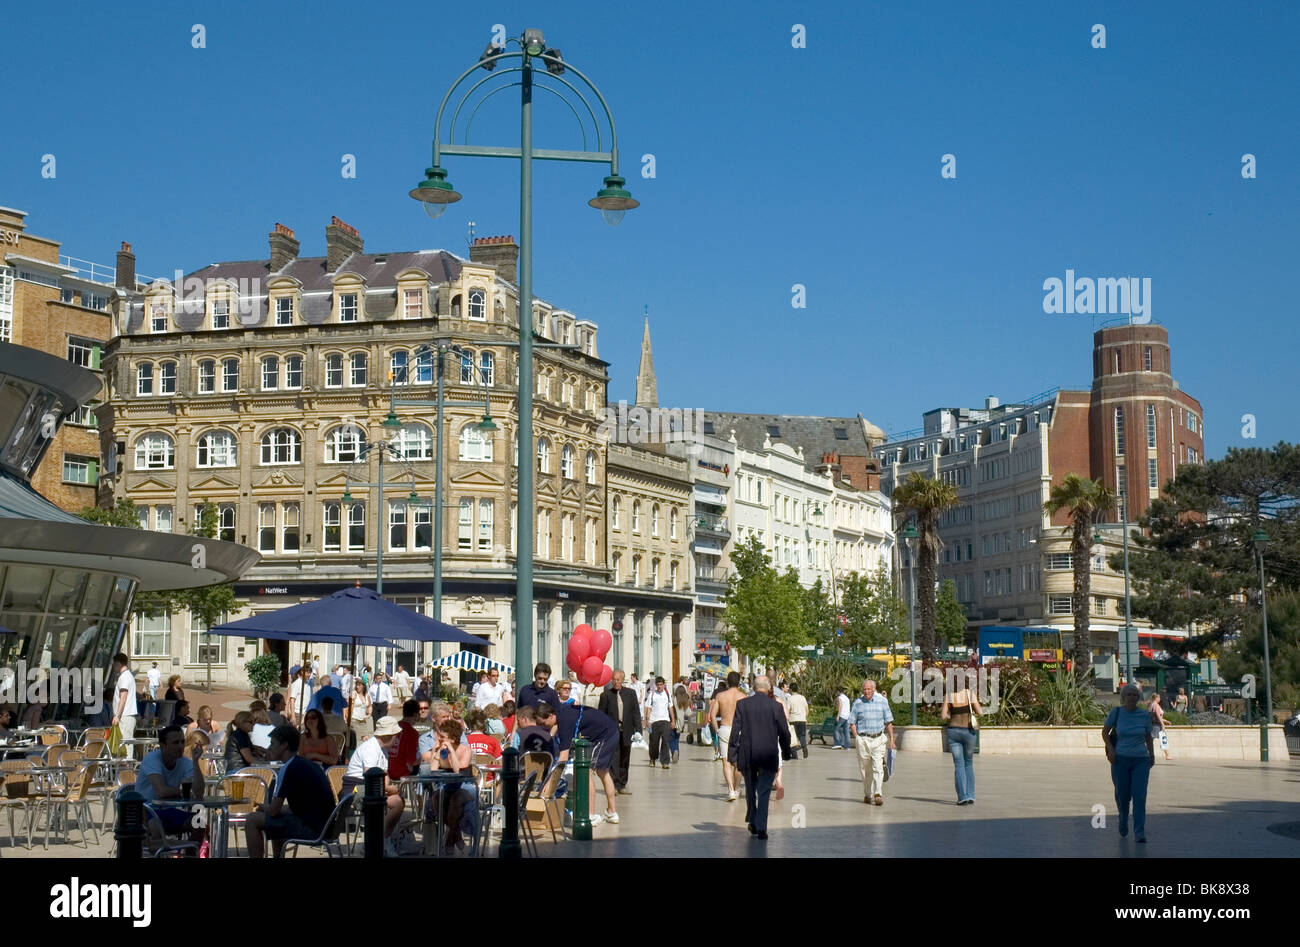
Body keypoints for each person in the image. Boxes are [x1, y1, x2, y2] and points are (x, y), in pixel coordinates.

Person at [246, 725, 338, 858]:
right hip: (327, 827)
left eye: (273, 744)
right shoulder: (309, 765)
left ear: (284, 746)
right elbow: (298, 807)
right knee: (277, 819)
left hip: (313, 830)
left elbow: (273, 811)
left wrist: (264, 808)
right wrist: (269, 809)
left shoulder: (288, 768)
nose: (269, 748)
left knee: (252, 820)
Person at [728, 676, 792, 841]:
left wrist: (732, 754)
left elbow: (735, 731)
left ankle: (753, 820)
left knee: (750, 789)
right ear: (769, 687)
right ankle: (761, 826)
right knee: (763, 791)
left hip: (748, 754)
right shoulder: (775, 706)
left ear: (754, 688)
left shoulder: (743, 705)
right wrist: (786, 751)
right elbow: (784, 732)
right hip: (769, 754)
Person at [342, 716, 406, 854]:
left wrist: (389, 789)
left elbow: (384, 777)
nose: (397, 739)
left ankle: (381, 840)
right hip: (355, 788)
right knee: (397, 802)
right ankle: (381, 840)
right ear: (388, 735)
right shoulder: (371, 748)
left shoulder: (383, 750)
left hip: (369, 787)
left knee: (397, 800)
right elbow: (371, 778)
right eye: (396, 736)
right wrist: (391, 789)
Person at [552, 701, 622, 824]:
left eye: (542, 722)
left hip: (604, 735)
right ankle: (612, 812)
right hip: (609, 731)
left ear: (550, 716)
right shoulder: (563, 712)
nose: (543, 725)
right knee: (603, 772)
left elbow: (563, 756)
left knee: (587, 771)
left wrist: (552, 780)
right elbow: (552, 728)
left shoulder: (564, 721)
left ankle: (590, 814)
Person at [1104, 683, 1156, 842]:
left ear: (1138, 697)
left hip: (1141, 760)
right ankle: (1123, 819)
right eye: (1129, 695)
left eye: (1135, 695)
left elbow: (1148, 736)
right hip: (1120, 760)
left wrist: (1151, 754)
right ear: (1123, 697)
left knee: (1140, 796)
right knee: (1123, 795)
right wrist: (1111, 750)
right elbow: (1105, 732)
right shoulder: (1117, 712)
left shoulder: (1143, 715)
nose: (1132, 697)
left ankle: (1139, 832)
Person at [137, 725, 205, 843]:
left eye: (182, 742)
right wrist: (181, 792)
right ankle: (160, 855)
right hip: (145, 812)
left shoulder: (184, 762)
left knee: (199, 823)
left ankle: (190, 854)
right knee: (155, 825)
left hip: (168, 811)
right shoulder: (152, 758)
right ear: (163, 745)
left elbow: (199, 792)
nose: (180, 746)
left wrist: (195, 762)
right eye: (175, 742)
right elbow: (162, 792)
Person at [427, 716, 477, 855]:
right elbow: (433, 769)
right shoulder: (439, 749)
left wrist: (451, 751)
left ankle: (449, 839)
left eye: (443, 737)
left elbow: (458, 770)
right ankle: (456, 834)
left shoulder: (465, 750)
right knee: (437, 798)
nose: (440, 739)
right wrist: (437, 751)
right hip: (447, 786)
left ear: (452, 738)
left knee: (456, 799)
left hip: (465, 786)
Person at [940, 668, 983, 805]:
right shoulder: (970, 694)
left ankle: (962, 797)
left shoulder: (949, 696)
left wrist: (951, 715)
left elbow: (943, 717)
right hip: (968, 732)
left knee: (958, 765)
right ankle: (971, 795)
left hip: (953, 732)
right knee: (968, 764)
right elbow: (980, 712)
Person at [850, 679, 896, 806]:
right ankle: (867, 794)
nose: (866, 692)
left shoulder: (882, 702)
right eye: (864, 689)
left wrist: (892, 739)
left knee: (878, 767)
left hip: (878, 739)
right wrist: (857, 737)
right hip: (863, 740)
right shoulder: (858, 703)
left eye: (869, 689)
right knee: (865, 769)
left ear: (874, 689)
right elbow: (852, 722)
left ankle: (878, 793)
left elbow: (888, 722)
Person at [597, 670, 642, 795]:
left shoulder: (630, 694)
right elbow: (601, 715)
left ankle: (622, 784)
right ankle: (614, 784)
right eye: (614, 679)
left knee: (625, 758)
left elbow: (636, 713)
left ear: (623, 680)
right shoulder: (606, 695)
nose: (616, 682)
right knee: (613, 758)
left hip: (627, 730)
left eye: (618, 679)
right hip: (612, 732)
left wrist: (638, 731)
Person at [710, 672, 745, 800]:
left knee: (726, 762)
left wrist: (717, 730)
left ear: (728, 682)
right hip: (739, 730)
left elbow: (712, 716)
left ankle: (730, 789)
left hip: (724, 729)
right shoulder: (743, 696)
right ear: (739, 681)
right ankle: (736, 788)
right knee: (739, 763)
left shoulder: (720, 696)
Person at [388, 699, 422, 781]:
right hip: (403, 775)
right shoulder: (412, 733)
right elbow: (413, 760)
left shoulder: (392, 727)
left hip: (388, 772)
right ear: (416, 714)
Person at [645, 676, 674, 769]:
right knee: (654, 742)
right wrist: (647, 720)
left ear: (664, 684)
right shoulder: (652, 694)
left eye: (661, 685)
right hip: (654, 721)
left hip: (665, 720)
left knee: (666, 741)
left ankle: (665, 762)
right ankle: (652, 758)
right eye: (658, 685)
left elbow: (670, 707)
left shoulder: (667, 694)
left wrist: (673, 720)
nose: (659, 686)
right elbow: (648, 707)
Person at [110, 653, 138, 743]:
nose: (113, 666)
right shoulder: (128, 676)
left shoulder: (124, 677)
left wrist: (117, 716)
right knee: (123, 746)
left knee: (125, 746)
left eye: (114, 663)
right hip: (126, 716)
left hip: (124, 716)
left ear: (119, 663)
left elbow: (123, 698)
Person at [787, 683, 810, 759]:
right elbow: (807, 710)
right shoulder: (802, 697)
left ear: (790, 689)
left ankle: (794, 755)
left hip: (793, 719)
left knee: (793, 738)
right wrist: (804, 717)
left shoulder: (790, 698)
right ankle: (804, 746)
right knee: (802, 735)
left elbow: (788, 710)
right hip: (802, 719)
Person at [671, 684, 693, 763]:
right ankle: (676, 751)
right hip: (680, 724)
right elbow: (689, 713)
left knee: (671, 739)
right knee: (676, 739)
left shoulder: (673, 699)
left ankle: (674, 751)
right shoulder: (684, 701)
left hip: (672, 722)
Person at [1149, 691, 1171, 761]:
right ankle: (1167, 755)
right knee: (1163, 739)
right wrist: (1163, 724)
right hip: (1157, 726)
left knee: (1152, 740)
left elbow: (1156, 716)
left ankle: (1167, 755)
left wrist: (1165, 721)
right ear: (1156, 698)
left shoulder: (1151, 705)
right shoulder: (1156, 705)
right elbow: (1158, 715)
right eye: (1159, 697)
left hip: (1154, 724)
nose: (1160, 699)